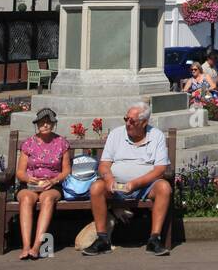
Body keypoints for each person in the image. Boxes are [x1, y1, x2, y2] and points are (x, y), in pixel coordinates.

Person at [82, 103, 172, 256]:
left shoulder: (156, 136)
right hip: (115, 186)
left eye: (132, 121)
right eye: (126, 119)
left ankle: (154, 239)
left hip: (146, 187)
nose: (127, 123)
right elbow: (104, 165)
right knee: (96, 188)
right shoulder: (116, 134)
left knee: (164, 187)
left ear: (144, 123)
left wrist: (136, 183)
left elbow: (160, 170)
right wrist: (109, 179)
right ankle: (102, 239)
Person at [16, 107, 71, 261]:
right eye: (42, 122)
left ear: (53, 124)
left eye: (48, 122)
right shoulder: (29, 143)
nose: (45, 125)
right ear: (37, 124)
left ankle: (36, 246)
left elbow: (66, 171)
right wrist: (28, 179)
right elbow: (20, 172)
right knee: (26, 199)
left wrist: (53, 180)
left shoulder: (61, 143)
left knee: (47, 199)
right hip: (30, 184)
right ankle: (26, 246)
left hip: (52, 185)